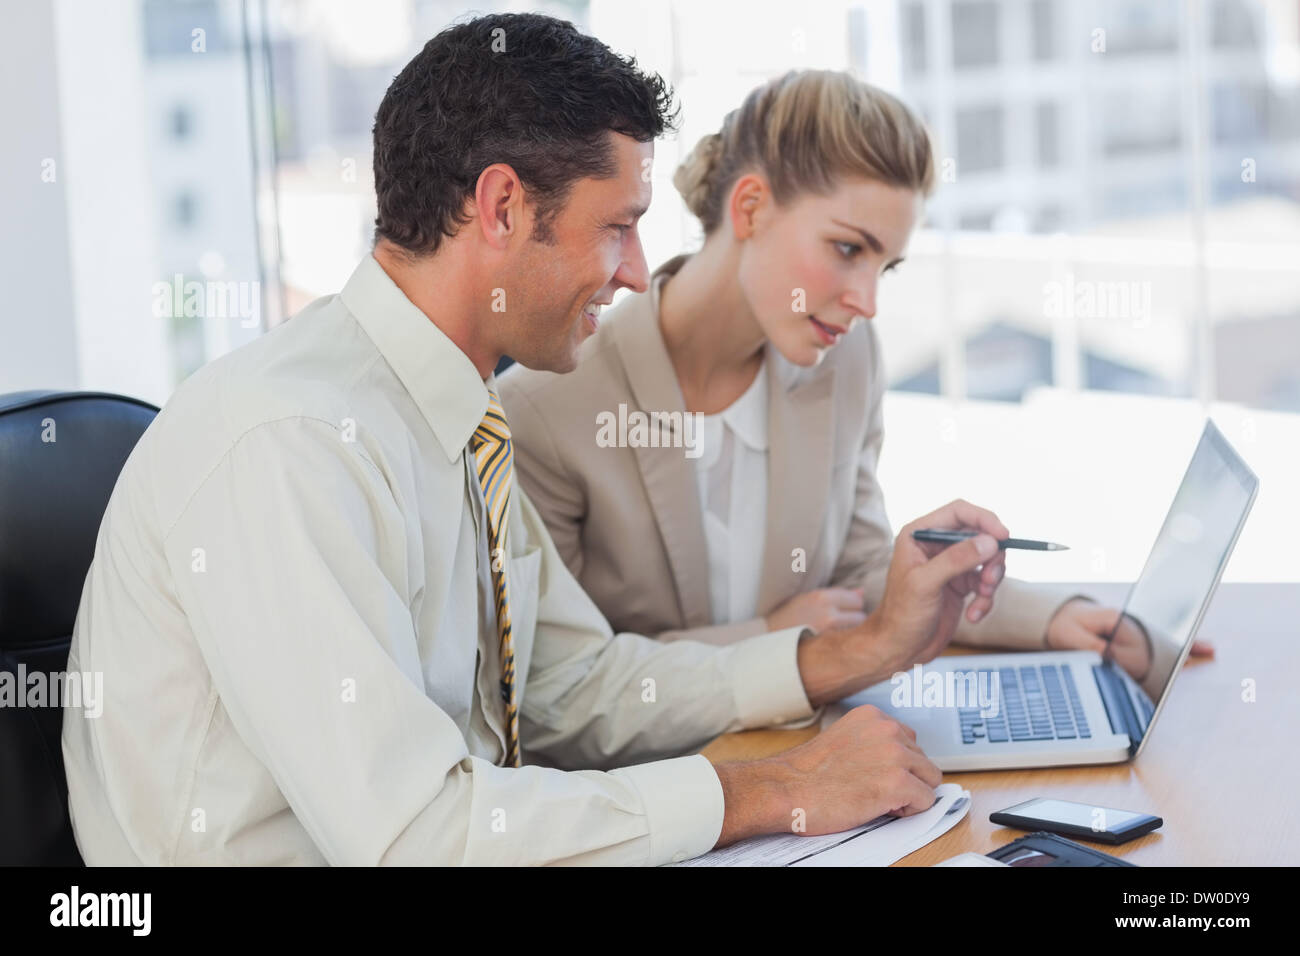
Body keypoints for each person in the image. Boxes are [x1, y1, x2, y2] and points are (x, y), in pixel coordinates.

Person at [62, 14, 1015, 867]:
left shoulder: (458, 416)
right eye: (619, 229)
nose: (639, 274)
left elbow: (576, 685)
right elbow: (416, 835)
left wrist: (844, 656)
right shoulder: (291, 445)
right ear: (503, 206)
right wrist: (774, 792)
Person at [498, 69, 1212, 676]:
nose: (866, 302)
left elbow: (862, 577)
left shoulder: (843, 360)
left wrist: (1063, 617)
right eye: (846, 249)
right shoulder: (545, 403)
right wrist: (776, 640)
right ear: (749, 207)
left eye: (885, 265)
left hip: (820, 764)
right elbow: (559, 683)